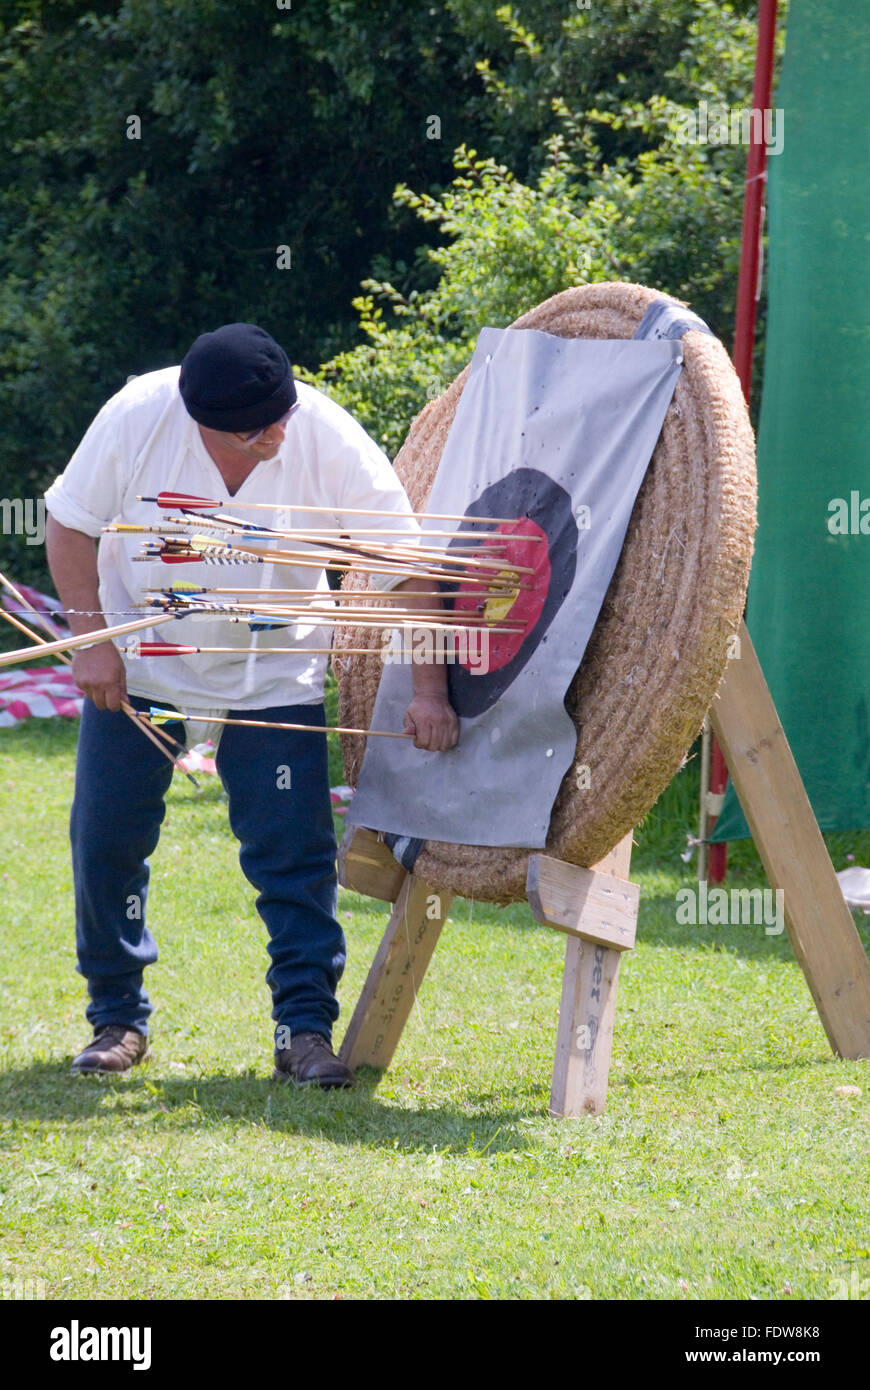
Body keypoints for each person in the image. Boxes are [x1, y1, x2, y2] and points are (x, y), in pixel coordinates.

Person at [44, 323, 458, 1086]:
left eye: (282, 416)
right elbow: (69, 525)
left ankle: (301, 1029)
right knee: (106, 838)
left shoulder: (324, 433)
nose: (277, 434)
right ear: (200, 420)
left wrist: (431, 690)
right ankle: (117, 1017)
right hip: (141, 665)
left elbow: (409, 570)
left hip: (274, 676)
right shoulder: (139, 414)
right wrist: (90, 641)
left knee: (293, 853)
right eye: (256, 429)